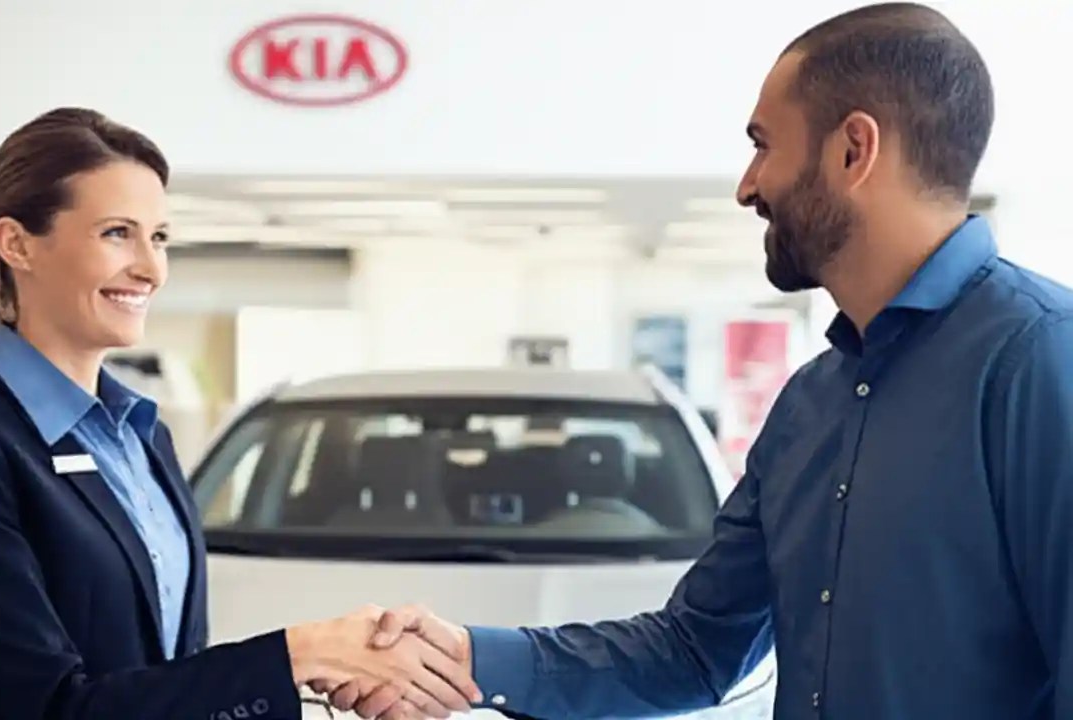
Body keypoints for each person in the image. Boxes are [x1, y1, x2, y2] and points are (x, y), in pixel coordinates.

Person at [320, 3, 1073, 719]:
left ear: (854, 149)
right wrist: (464, 659)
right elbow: (692, 649)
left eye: (763, 145)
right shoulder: (813, 403)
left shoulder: (1039, 361)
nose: (749, 187)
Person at [0, 107, 479, 720]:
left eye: (159, 237)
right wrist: (298, 654)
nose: (151, 267)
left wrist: (323, 672)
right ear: (17, 243)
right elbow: (49, 708)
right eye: (117, 232)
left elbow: (166, 680)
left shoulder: (143, 437)